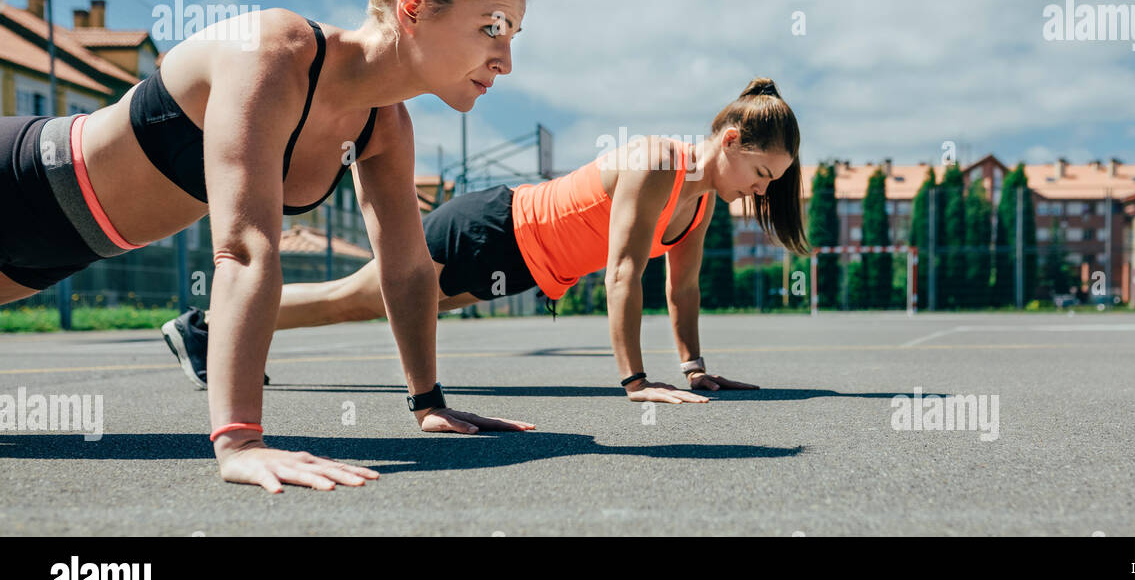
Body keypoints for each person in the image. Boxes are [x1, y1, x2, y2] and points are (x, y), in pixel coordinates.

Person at [0, 0, 534, 491]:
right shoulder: (277, 54)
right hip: (22, 182)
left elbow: (409, 267)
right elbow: (246, 249)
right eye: (491, 28)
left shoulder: (384, 128)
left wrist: (429, 403)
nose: (505, 58)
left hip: (49, 257)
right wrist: (240, 441)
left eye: (514, 34)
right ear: (413, 7)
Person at [163, 78, 810, 404]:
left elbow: (683, 287)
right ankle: (210, 327)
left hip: (518, 262)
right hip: (494, 229)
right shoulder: (657, 163)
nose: (758, 191)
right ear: (729, 141)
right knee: (359, 298)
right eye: (760, 173)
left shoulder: (697, 206)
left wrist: (693, 368)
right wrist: (636, 380)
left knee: (360, 299)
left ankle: (212, 329)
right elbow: (622, 271)